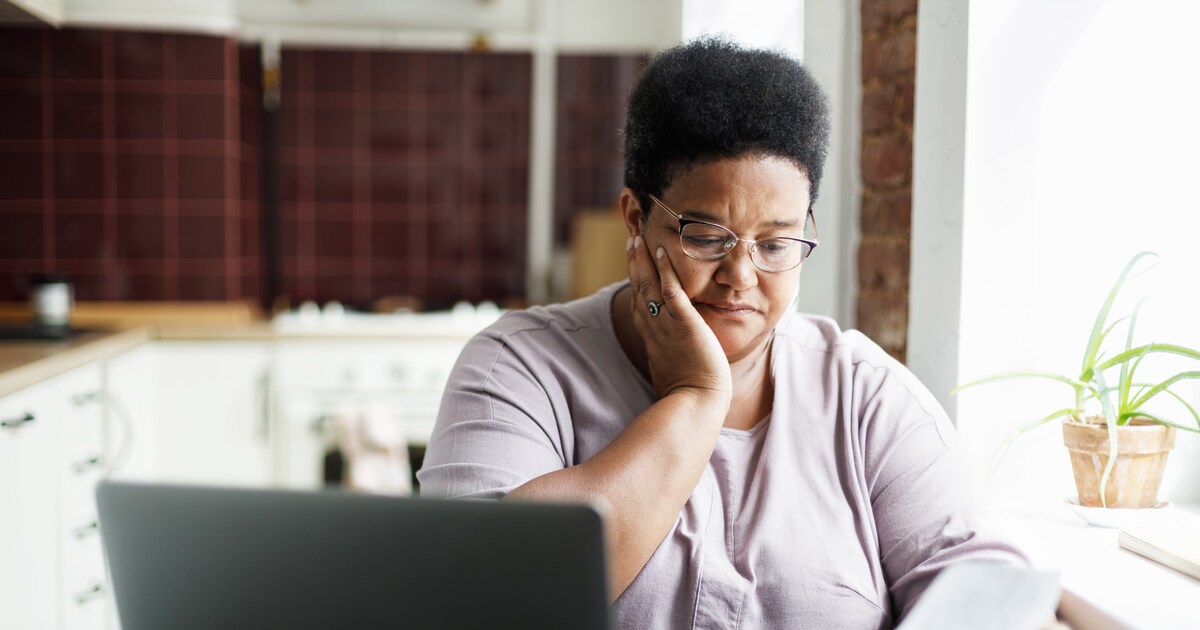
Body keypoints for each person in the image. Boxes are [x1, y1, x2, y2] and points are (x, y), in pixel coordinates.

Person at [418, 37, 1026, 628]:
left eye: (776, 242)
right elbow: (486, 598)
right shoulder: (518, 369)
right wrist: (696, 399)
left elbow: (987, 589)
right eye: (706, 237)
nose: (741, 275)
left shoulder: (864, 399)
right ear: (636, 219)